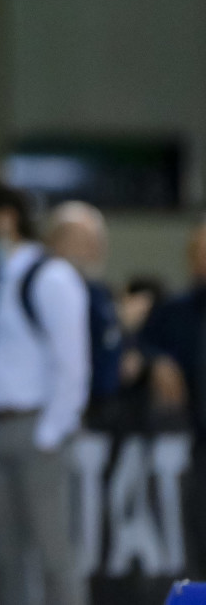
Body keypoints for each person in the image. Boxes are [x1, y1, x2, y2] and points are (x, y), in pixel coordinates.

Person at [0, 179, 90, 605]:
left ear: (5, 219)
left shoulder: (50, 276)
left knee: (55, 552)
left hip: (37, 428)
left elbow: (72, 362)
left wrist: (52, 431)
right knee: (8, 557)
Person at [138, 219, 206, 574]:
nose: (201, 261)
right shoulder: (176, 311)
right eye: (196, 254)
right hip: (200, 446)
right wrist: (157, 360)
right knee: (199, 543)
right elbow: (141, 342)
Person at [45, 200, 123, 414]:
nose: (92, 248)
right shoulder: (43, 291)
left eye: (96, 240)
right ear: (55, 241)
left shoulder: (99, 291)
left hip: (103, 404)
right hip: (58, 408)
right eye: (82, 240)